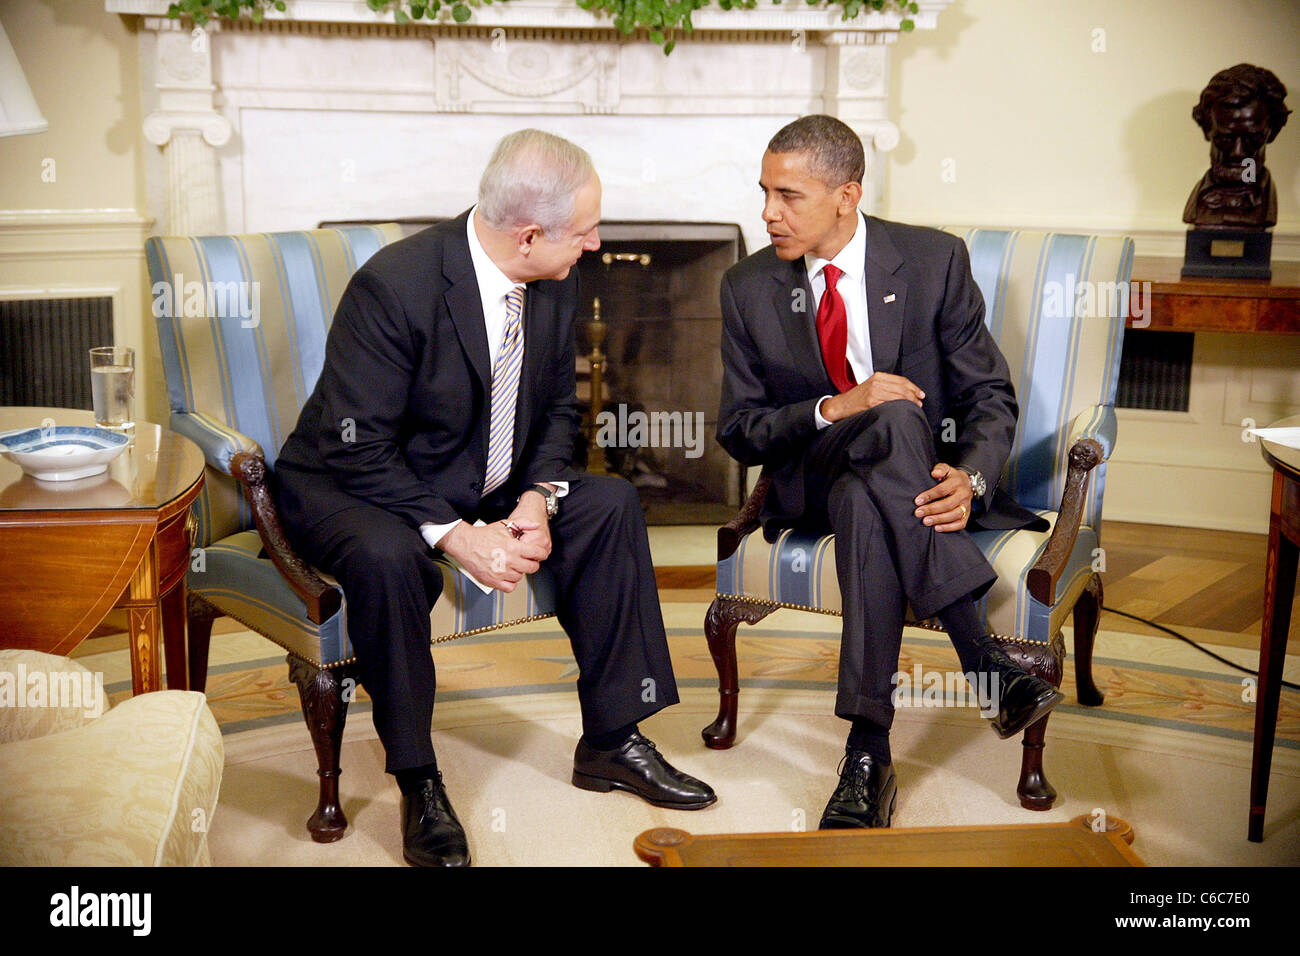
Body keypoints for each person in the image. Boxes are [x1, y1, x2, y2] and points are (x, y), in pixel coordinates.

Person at [274, 129, 715, 867]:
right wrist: (453, 532)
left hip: (479, 473)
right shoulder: (396, 287)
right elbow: (360, 446)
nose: (598, 244)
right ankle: (419, 780)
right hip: (350, 482)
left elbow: (554, 413)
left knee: (606, 506)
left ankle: (612, 740)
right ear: (530, 233)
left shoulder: (555, 277)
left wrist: (539, 497)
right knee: (388, 558)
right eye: (585, 231)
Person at [716, 114, 1062, 830]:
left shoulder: (933, 260)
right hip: (806, 479)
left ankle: (867, 753)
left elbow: (988, 396)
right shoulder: (746, 285)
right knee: (893, 413)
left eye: (789, 195)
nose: (767, 213)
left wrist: (968, 480)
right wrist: (836, 406)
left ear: (847, 194)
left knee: (872, 484)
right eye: (764, 192)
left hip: (892, 486)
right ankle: (983, 659)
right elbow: (739, 432)